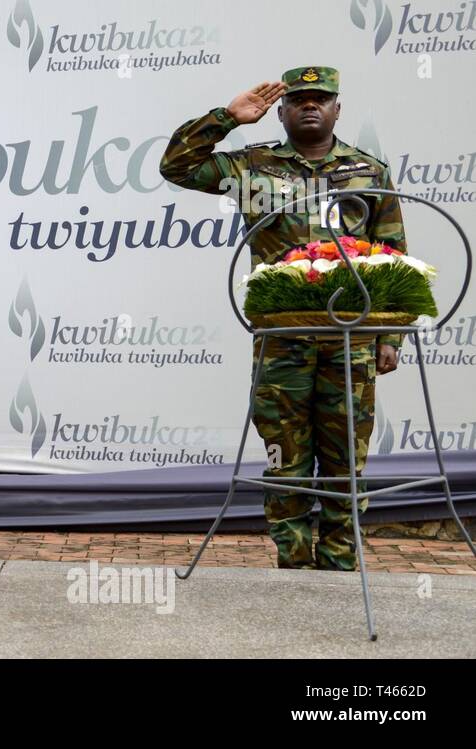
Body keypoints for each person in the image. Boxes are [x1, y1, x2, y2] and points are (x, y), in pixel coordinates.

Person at [160, 67, 408, 570]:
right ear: (281, 111)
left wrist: (391, 336)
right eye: (298, 100)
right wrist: (227, 118)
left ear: (338, 108)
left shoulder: (368, 170)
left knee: (346, 464)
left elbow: (393, 254)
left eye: (321, 99)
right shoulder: (254, 166)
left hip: (350, 337)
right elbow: (177, 166)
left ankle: (340, 564)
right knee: (284, 457)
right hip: (282, 337)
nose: (310, 106)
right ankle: (293, 563)